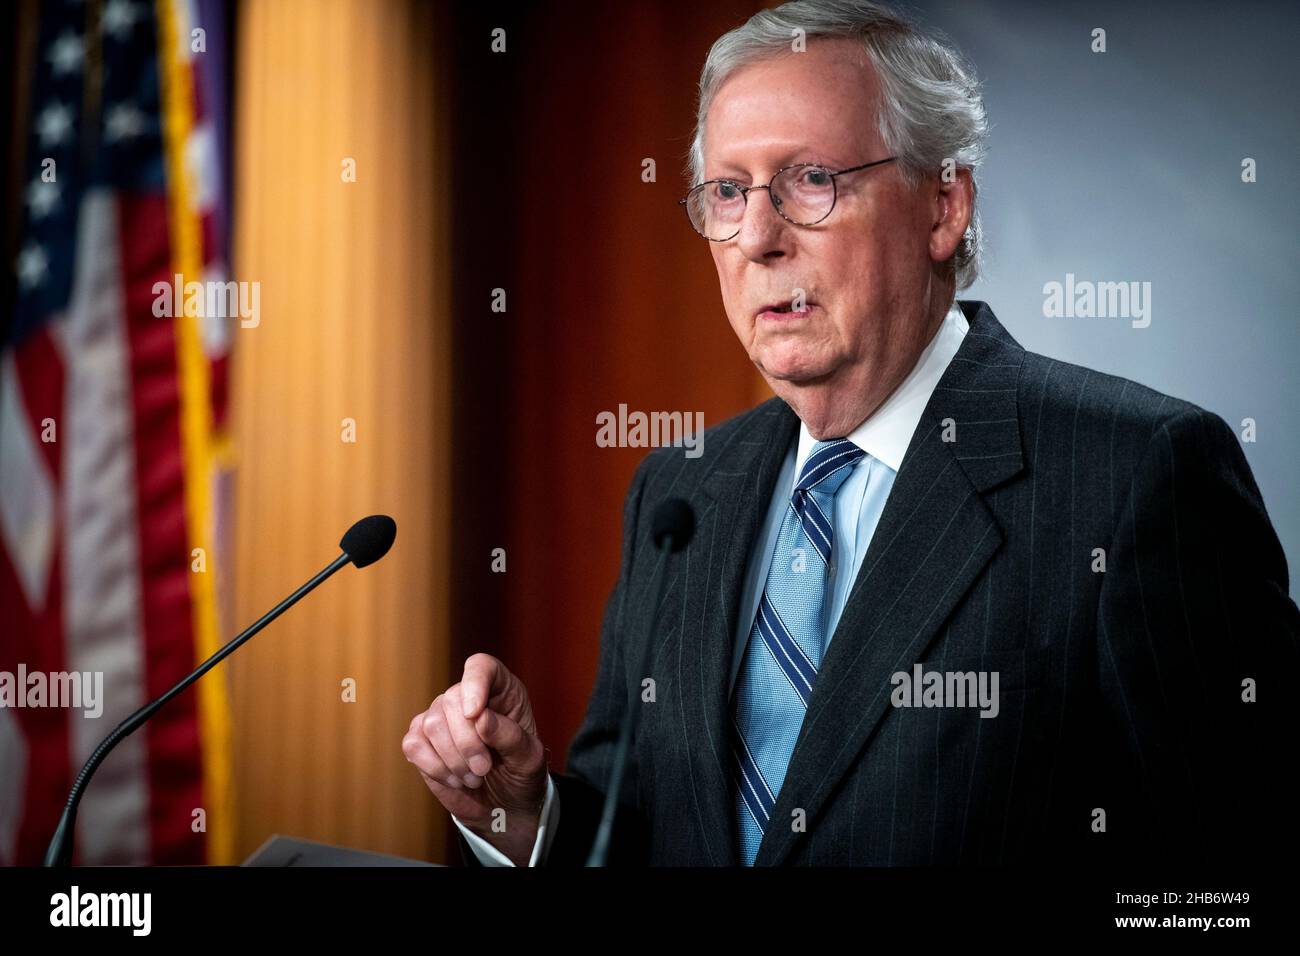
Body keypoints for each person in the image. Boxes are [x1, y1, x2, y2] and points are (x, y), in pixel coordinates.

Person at [401, 0, 1299, 866]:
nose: (757, 236)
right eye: (727, 191)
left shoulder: (1135, 474)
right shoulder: (680, 492)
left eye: (811, 181)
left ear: (943, 208)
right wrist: (526, 817)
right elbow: (637, 832)